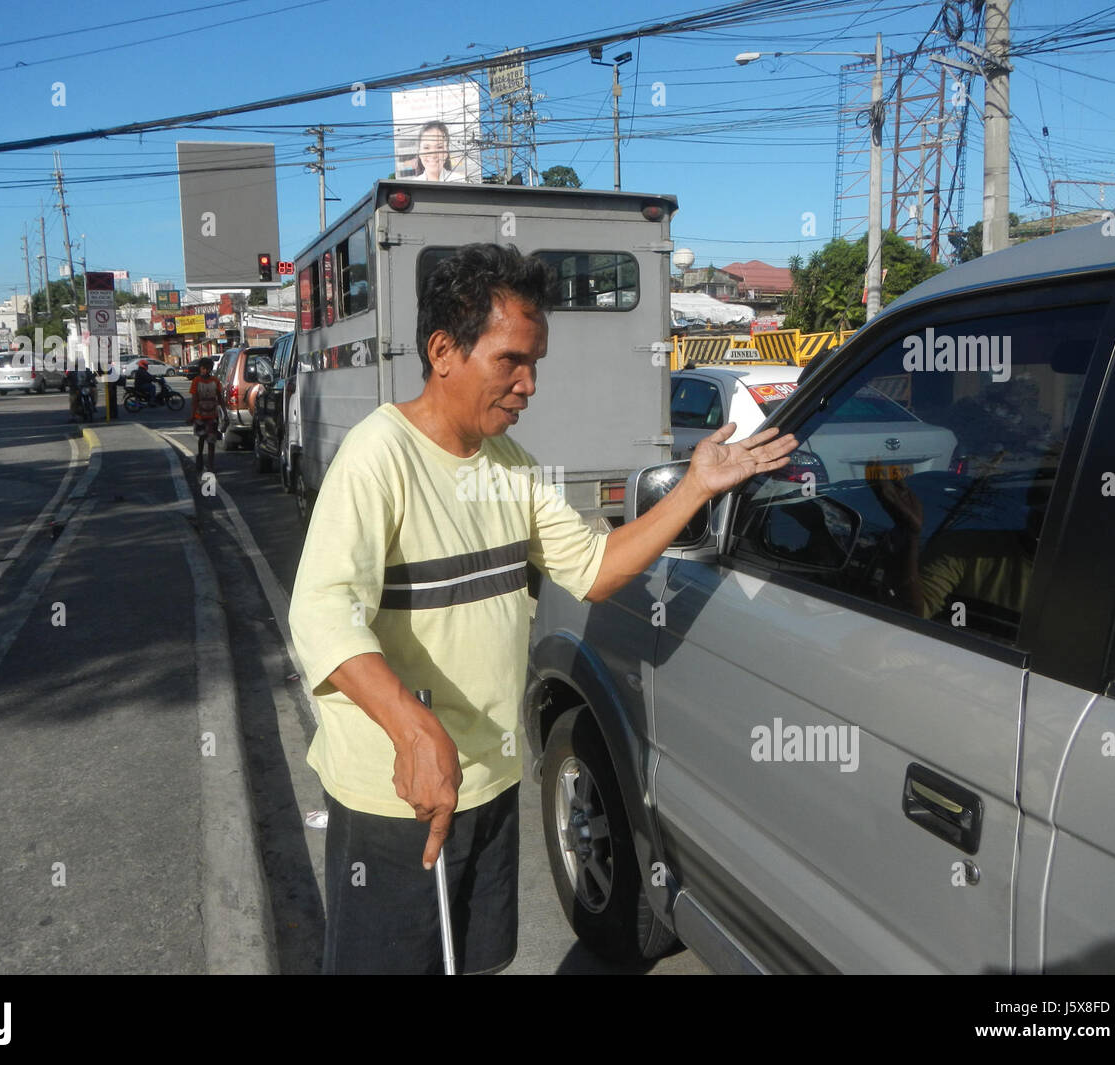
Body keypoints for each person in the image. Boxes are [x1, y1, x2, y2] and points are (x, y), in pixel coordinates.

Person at [288, 243, 797, 974]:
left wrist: (694, 487)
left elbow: (592, 568)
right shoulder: (379, 458)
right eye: (512, 361)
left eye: (537, 364)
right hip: (400, 801)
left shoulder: (511, 469)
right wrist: (411, 727)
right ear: (443, 351)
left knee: (476, 960)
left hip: (488, 781)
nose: (530, 384)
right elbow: (323, 615)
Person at [188, 356, 222, 474]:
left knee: (211, 441)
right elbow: (194, 400)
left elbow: (220, 397)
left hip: (212, 415)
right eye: (203, 368)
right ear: (200, 369)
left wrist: (225, 414)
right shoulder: (196, 381)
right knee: (202, 438)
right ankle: (200, 458)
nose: (205, 371)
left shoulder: (215, 381)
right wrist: (192, 416)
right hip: (200, 415)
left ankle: (211, 464)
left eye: (207, 369)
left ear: (211, 369)